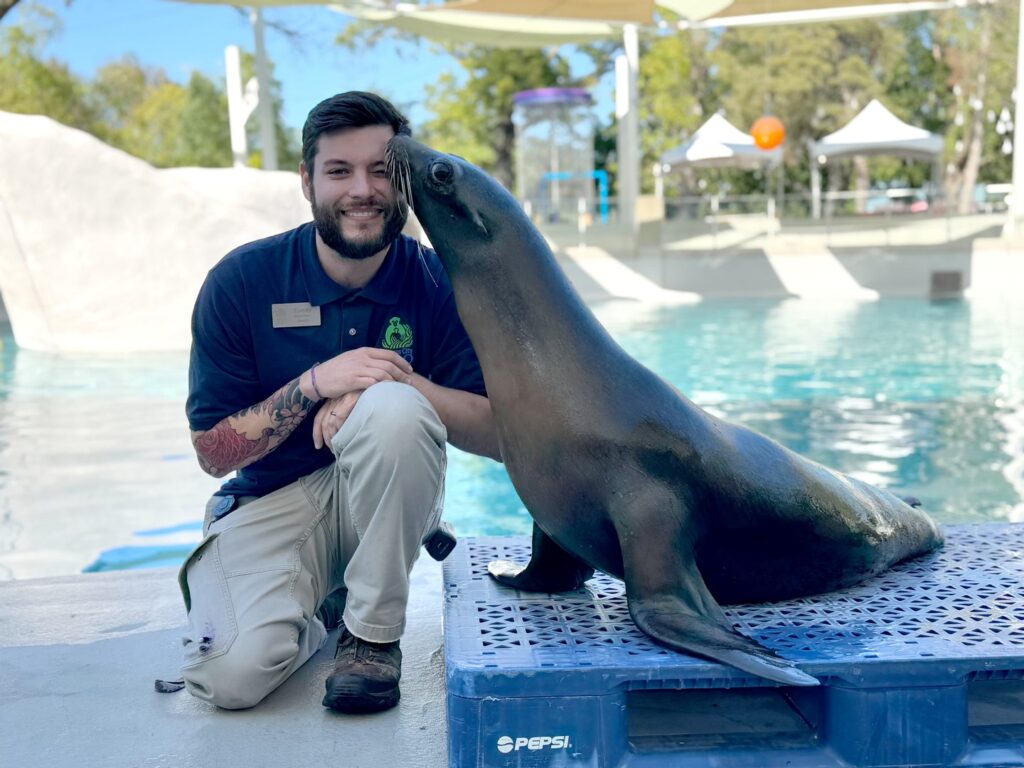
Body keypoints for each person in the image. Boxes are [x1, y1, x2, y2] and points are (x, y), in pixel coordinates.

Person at [182, 91, 498, 714]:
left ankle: (371, 636)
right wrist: (315, 383)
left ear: (403, 182)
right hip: (273, 502)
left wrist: (391, 383)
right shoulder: (242, 281)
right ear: (307, 182)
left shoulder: (438, 282)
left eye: (382, 170)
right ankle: (311, 608)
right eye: (339, 171)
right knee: (232, 679)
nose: (363, 189)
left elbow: (497, 434)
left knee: (395, 411)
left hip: (384, 501)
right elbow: (213, 454)